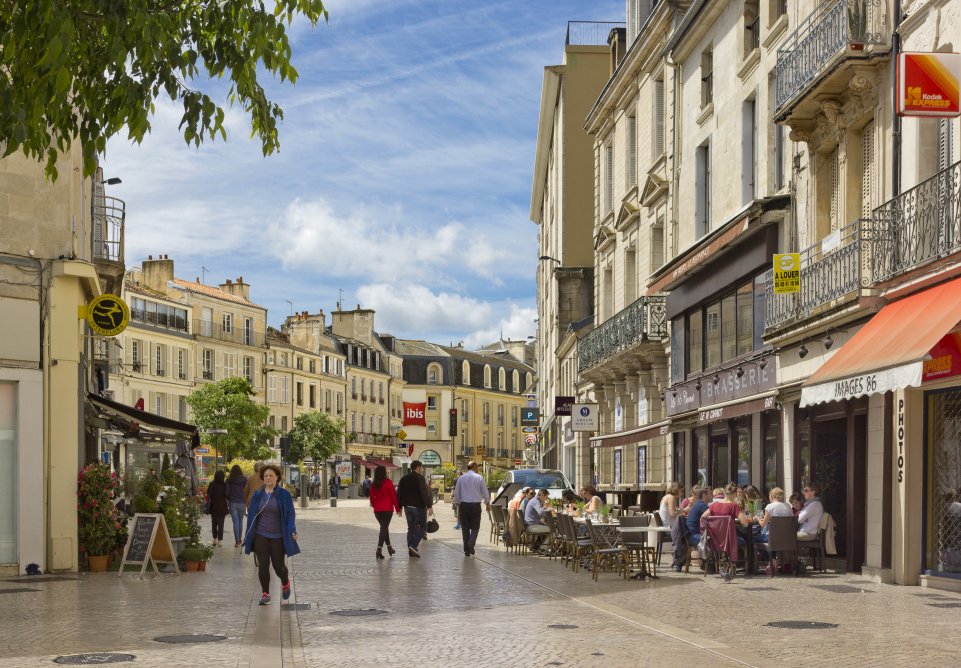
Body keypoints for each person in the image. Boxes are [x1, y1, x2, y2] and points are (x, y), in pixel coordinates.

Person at [244, 464, 299, 606]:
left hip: (278, 536)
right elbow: (251, 516)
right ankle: (265, 594)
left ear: (277, 478)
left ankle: (285, 582)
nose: (268, 478)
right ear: (263, 478)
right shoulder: (258, 495)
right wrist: (248, 534)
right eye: (266, 476)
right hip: (260, 534)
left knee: (278, 566)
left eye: (271, 475)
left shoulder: (284, 495)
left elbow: (290, 515)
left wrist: (292, 530)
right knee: (263, 565)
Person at [452, 461, 491, 557]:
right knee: (475, 527)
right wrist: (487, 503)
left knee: (465, 528)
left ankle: (467, 551)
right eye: (477, 467)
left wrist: (458, 503)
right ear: (474, 467)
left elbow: (456, 493)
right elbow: (485, 492)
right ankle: (472, 541)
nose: (477, 469)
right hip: (475, 506)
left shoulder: (461, 478)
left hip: (464, 506)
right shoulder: (479, 478)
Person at [397, 460, 433, 558]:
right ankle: (413, 546)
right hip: (419, 507)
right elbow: (424, 493)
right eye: (421, 467)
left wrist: (399, 507)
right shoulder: (420, 478)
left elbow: (399, 493)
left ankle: (411, 551)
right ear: (417, 467)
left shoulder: (404, 479)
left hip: (407, 507)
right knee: (423, 527)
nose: (422, 469)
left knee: (411, 528)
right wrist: (429, 506)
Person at [369, 465, 401, 559]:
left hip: (377, 510)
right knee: (384, 528)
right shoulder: (388, 482)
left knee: (384, 528)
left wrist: (375, 505)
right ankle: (379, 550)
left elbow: (371, 498)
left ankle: (389, 547)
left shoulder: (374, 484)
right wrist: (398, 509)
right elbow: (393, 496)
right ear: (384, 473)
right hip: (387, 509)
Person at [206, 469, 229, 546]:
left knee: (214, 523)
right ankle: (220, 541)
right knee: (221, 524)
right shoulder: (224, 485)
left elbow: (208, 493)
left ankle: (214, 539)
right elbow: (227, 495)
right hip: (222, 506)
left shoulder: (212, 484)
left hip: (213, 506)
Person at [226, 465, 247, 547]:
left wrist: (229, 498)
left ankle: (237, 540)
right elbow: (246, 490)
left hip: (233, 502)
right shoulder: (244, 479)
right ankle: (240, 539)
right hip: (242, 502)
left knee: (235, 522)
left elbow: (227, 492)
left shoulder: (229, 480)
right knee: (240, 521)